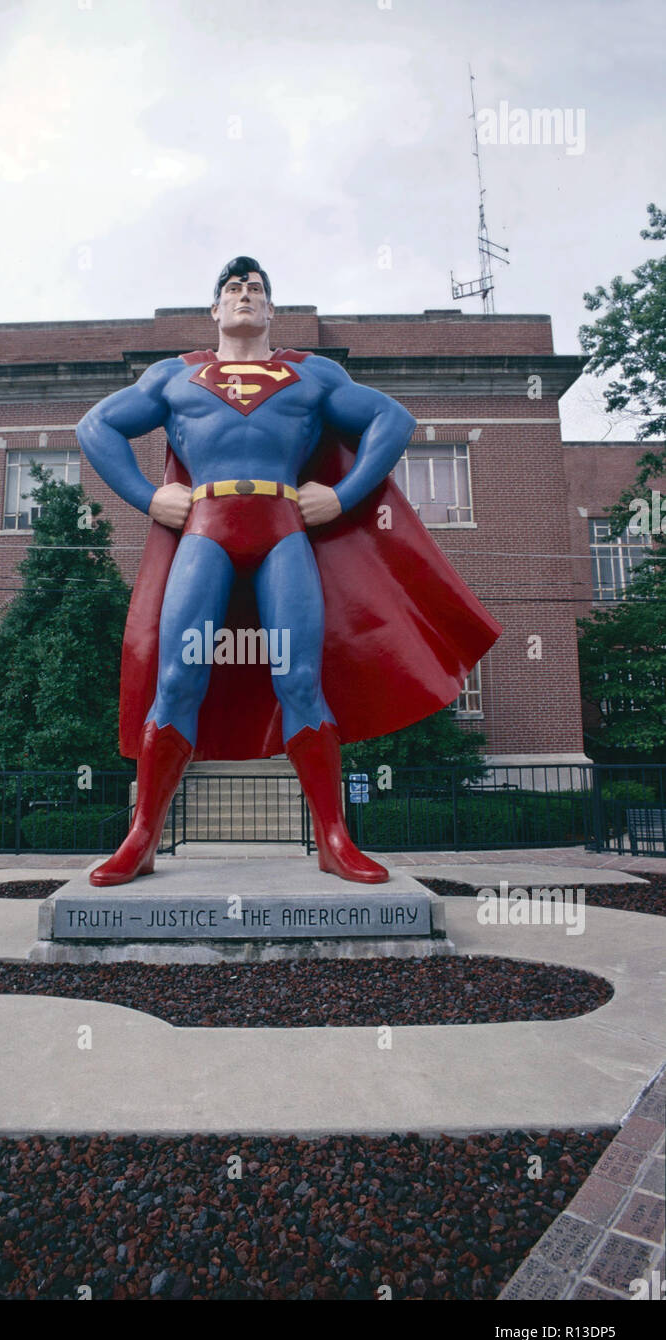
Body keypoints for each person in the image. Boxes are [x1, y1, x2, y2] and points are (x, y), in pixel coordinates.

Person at [77, 256, 498, 887]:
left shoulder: (311, 373)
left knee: (300, 676)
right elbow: (96, 426)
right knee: (178, 675)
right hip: (205, 529)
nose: (244, 295)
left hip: (283, 529)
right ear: (214, 310)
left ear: (272, 309)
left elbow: (394, 420)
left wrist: (347, 491)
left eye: (256, 289)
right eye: (232, 289)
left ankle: (333, 837)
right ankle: (141, 837)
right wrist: (145, 496)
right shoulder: (174, 375)